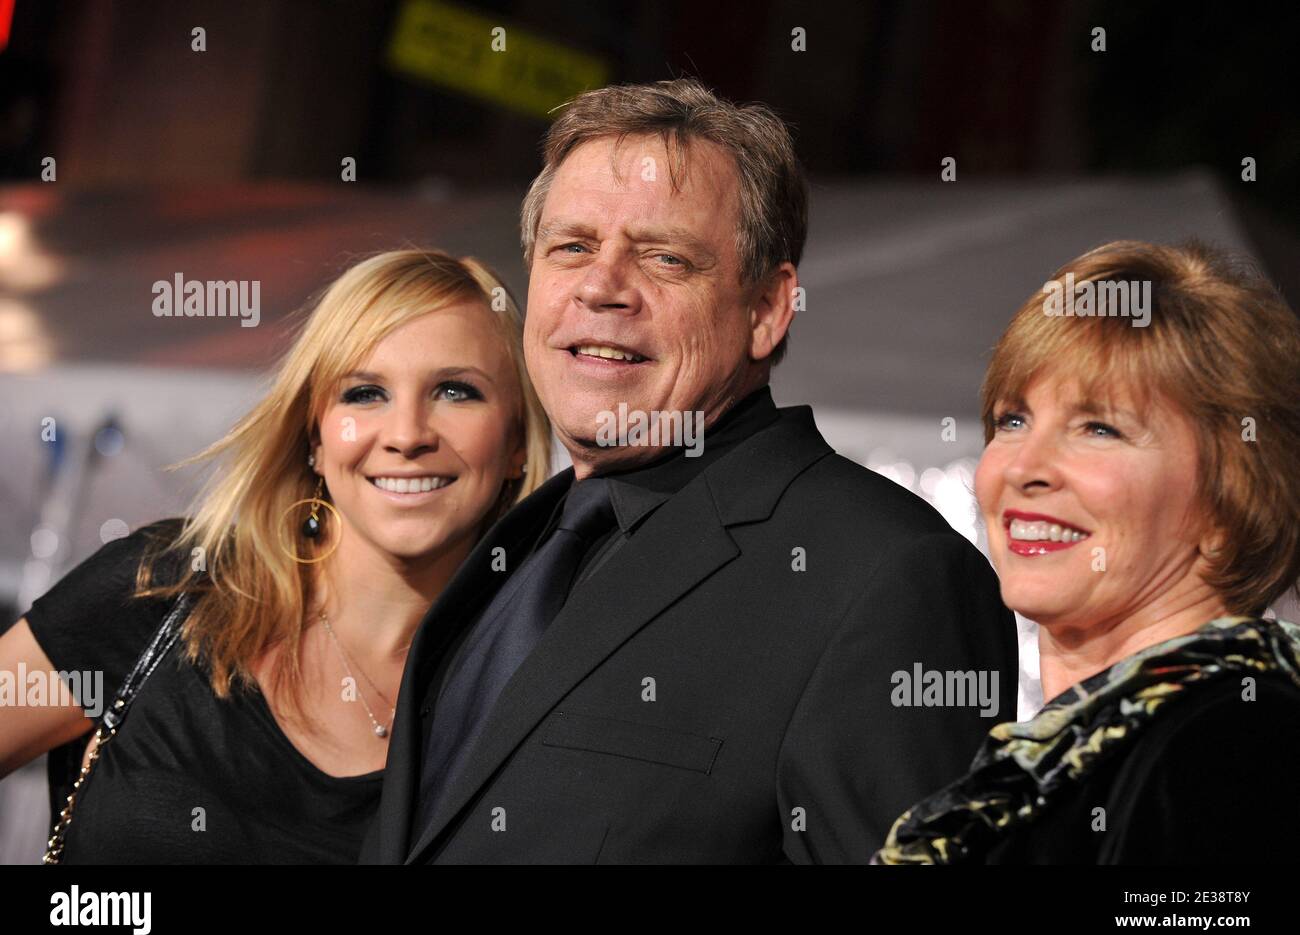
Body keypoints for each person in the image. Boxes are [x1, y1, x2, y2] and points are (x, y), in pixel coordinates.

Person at [361, 78, 1018, 865]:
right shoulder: (515, 543)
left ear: (768, 309)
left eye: (665, 257)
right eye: (571, 246)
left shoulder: (888, 578)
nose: (602, 286)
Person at [0, 249, 551, 863]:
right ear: (314, 437)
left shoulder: (537, 693)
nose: (407, 434)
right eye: (365, 393)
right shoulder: (164, 590)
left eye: (456, 391)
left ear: (516, 445)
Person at [873, 240, 1300, 864]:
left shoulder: (1233, 747)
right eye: (1013, 420)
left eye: (1100, 428)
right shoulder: (1053, 767)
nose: (1024, 467)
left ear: (1235, 498)